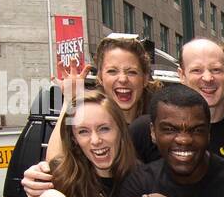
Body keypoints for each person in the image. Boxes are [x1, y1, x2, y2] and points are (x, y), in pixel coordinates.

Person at [48, 35, 153, 163]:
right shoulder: (85, 119)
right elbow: (54, 164)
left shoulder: (157, 123)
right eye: (112, 71)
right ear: (100, 78)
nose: (123, 79)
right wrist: (70, 101)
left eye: (131, 72)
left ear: (145, 79)